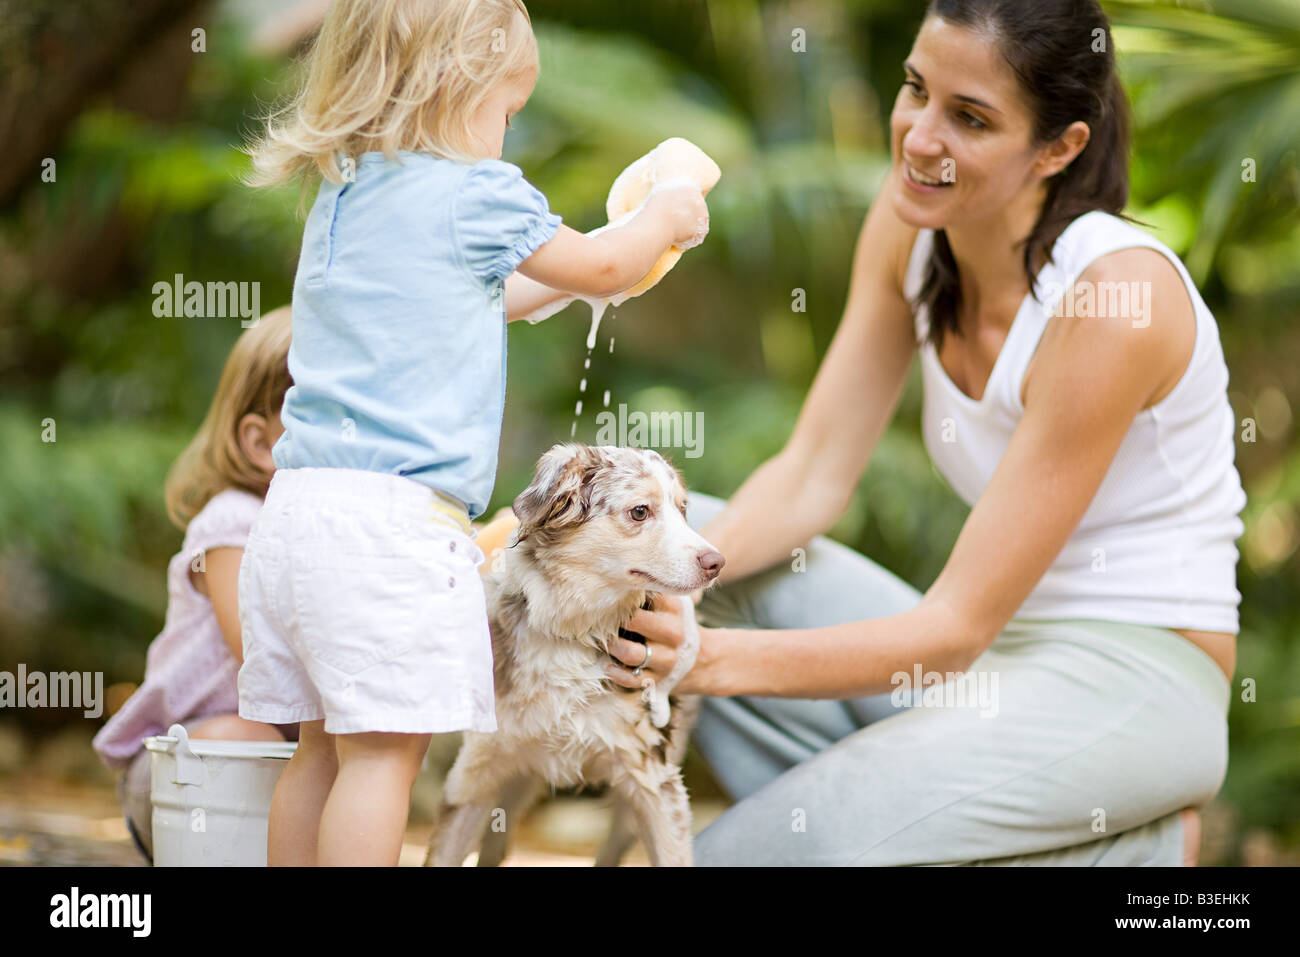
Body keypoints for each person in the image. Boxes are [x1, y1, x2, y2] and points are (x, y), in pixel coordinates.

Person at [605, 0, 1245, 866]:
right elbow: (810, 474)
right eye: (916, 89)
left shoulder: (1113, 298)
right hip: (994, 670)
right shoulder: (912, 225)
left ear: (1059, 148)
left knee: (738, 855)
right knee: (676, 554)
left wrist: (701, 658)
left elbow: (951, 630)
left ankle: (1115, 836)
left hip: (1133, 681)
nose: (918, 137)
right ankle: (1075, 846)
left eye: (969, 117)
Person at [239, 0, 709, 866]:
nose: (510, 126)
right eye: (508, 106)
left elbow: (491, 299)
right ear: (455, 88)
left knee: (317, 752)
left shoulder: (346, 192)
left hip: (297, 520)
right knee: (383, 756)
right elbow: (608, 264)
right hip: (390, 533)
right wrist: (669, 209)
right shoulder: (475, 191)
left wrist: (594, 265)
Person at [92, 305, 297, 863]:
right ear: (259, 443)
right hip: (175, 768)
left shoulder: (320, 528)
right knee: (259, 739)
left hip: (255, 764)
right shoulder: (232, 520)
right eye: (318, 416)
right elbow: (256, 656)